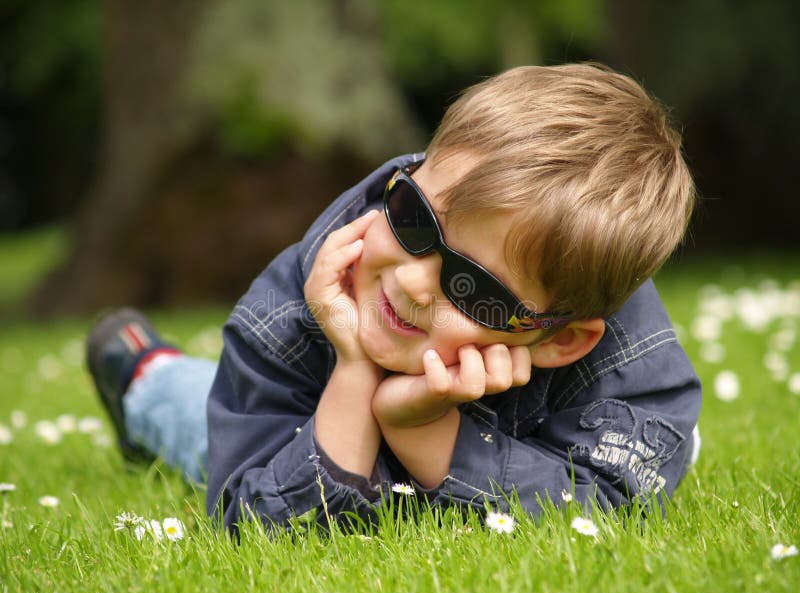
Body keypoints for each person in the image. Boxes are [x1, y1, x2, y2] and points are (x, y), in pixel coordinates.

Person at [86, 63, 701, 533]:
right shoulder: (288, 310)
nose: (411, 281)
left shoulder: (625, 359)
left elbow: (607, 509)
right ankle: (146, 378)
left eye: (472, 288)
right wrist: (355, 374)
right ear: (403, 184)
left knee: (671, 447)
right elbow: (258, 523)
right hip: (299, 421)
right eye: (413, 221)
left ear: (560, 337)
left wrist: (426, 432)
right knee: (197, 419)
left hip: (522, 430)